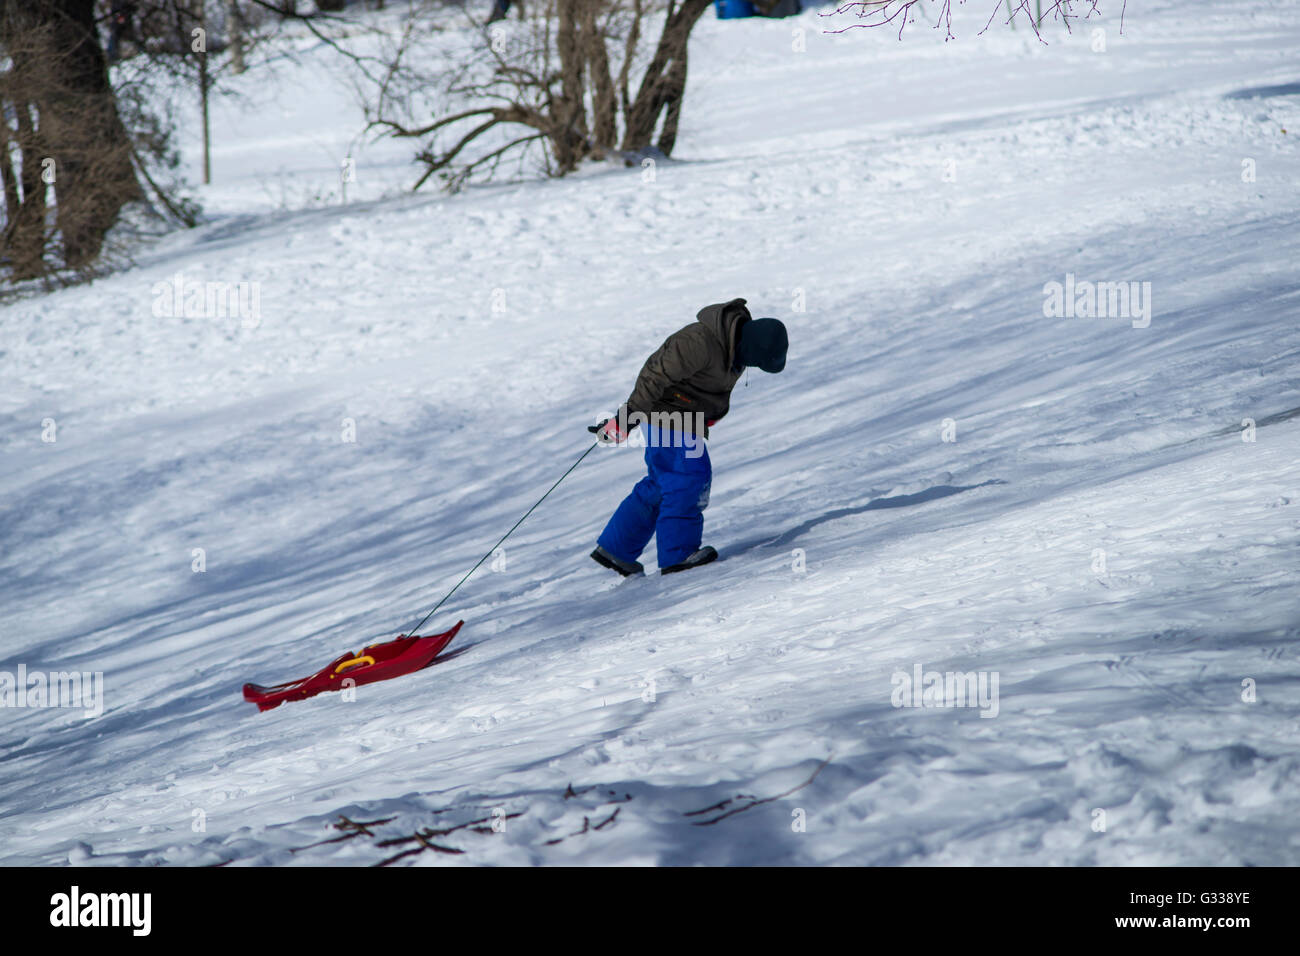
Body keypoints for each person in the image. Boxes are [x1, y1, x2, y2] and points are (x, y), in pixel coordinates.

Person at [589, 298, 788, 577]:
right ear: (750, 347)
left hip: (685, 418)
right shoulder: (699, 342)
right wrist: (628, 417)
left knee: (663, 483)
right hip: (668, 414)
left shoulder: (734, 345)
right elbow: (654, 375)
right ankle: (678, 556)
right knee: (688, 478)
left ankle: (617, 550)